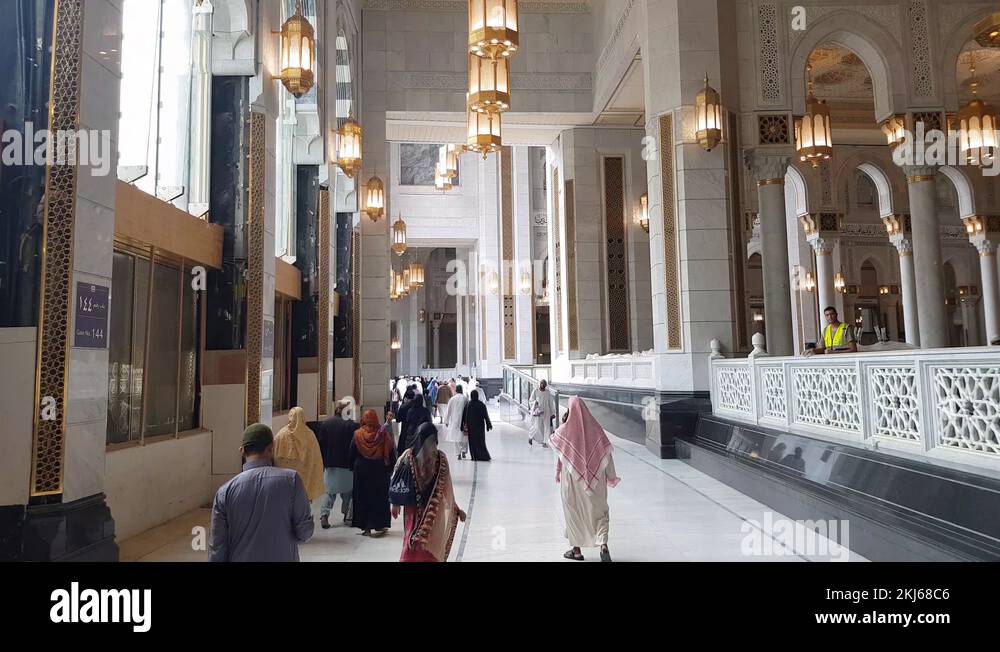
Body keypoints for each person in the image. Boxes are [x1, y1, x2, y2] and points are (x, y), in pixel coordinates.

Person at [209, 424, 314, 562]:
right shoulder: (292, 480)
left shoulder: (225, 492)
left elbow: (217, 548)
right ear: (272, 448)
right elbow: (304, 532)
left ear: (242, 451)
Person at [551, 397, 620, 562]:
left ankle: (576, 551)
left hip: (572, 480)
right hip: (596, 481)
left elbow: (561, 456)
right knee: (600, 513)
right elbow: (607, 455)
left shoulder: (563, 431)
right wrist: (611, 475)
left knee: (574, 513)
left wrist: (558, 471)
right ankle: (603, 545)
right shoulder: (597, 430)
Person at [390, 422, 467, 562]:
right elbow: (397, 478)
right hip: (413, 510)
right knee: (411, 542)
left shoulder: (441, 459)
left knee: (430, 543)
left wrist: (456, 508)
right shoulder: (408, 457)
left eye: (433, 441)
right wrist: (395, 503)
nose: (430, 445)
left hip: (434, 511)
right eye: (428, 440)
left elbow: (446, 487)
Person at [348, 410, 397, 537]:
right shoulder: (383, 434)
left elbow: (352, 453)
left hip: (361, 471)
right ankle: (379, 523)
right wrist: (391, 468)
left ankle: (365, 526)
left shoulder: (357, 434)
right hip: (379, 470)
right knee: (379, 497)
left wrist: (352, 467)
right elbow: (391, 452)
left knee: (362, 497)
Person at [316, 400, 357, 528]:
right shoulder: (352, 426)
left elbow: (321, 445)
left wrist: (324, 461)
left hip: (331, 464)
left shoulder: (326, 424)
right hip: (347, 464)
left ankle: (324, 515)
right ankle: (347, 516)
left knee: (330, 492)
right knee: (348, 493)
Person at [273, 407, 326, 502]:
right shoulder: (310, 435)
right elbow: (316, 458)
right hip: (306, 479)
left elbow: (274, 455)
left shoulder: (282, 434)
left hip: (286, 481)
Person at [461, 390, 493, 462]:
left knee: (472, 442)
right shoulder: (481, 404)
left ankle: (474, 456)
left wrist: (461, 426)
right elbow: (486, 416)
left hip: (471, 427)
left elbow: (464, 416)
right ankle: (483, 456)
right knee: (481, 441)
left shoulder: (468, 405)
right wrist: (489, 424)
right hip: (480, 427)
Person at [528, 379, 557, 448]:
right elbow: (531, 400)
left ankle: (545, 442)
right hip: (538, 412)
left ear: (546, 385)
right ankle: (530, 436)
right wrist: (535, 402)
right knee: (537, 426)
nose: (542, 385)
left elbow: (551, 403)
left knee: (547, 427)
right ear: (539, 384)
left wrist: (553, 413)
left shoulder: (548, 393)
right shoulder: (535, 391)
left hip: (547, 411)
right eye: (541, 383)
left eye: (544, 384)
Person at [443, 385, 470, 459]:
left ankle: (458, 454)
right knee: (464, 436)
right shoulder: (465, 398)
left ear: (456, 390)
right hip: (464, 421)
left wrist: (446, 420)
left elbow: (448, 410)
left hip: (454, 421)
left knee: (456, 438)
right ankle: (464, 451)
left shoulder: (452, 399)